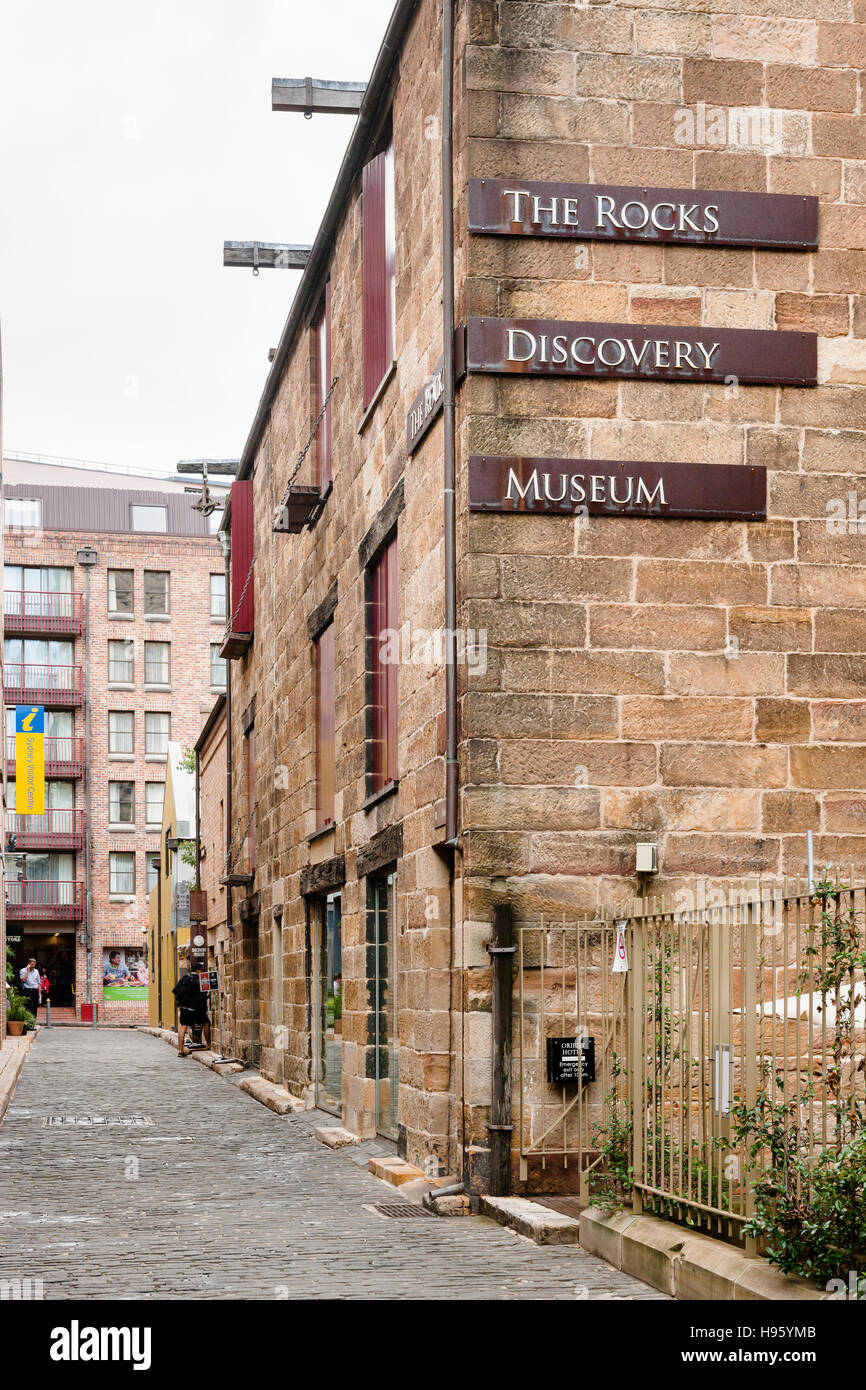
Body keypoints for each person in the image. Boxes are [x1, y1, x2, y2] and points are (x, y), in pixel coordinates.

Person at [171, 970, 210, 1057]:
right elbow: (203, 996)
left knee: (183, 1028)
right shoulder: (200, 980)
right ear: (199, 971)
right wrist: (207, 996)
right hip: (196, 1009)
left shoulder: (184, 979)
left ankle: (180, 1051)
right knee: (206, 1023)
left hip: (184, 1008)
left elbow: (175, 991)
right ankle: (208, 1045)